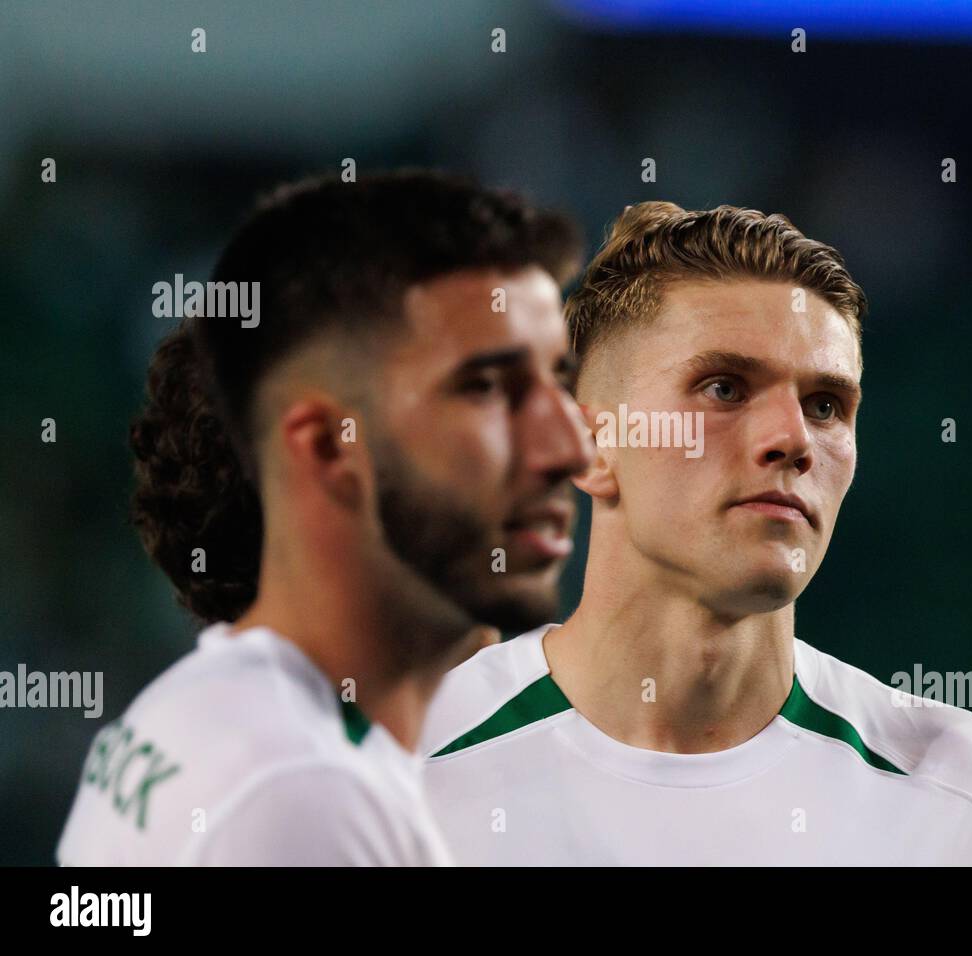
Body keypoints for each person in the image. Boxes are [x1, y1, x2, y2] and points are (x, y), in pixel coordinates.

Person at [419, 201, 972, 865]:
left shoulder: (967, 800)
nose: (793, 439)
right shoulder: (399, 777)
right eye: (725, 389)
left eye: (825, 405)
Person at [57, 170, 593, 865]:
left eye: (560, 379)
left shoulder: (190, 715)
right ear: (323, 448)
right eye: (486, 388)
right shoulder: (307, 796)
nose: (570, 445)